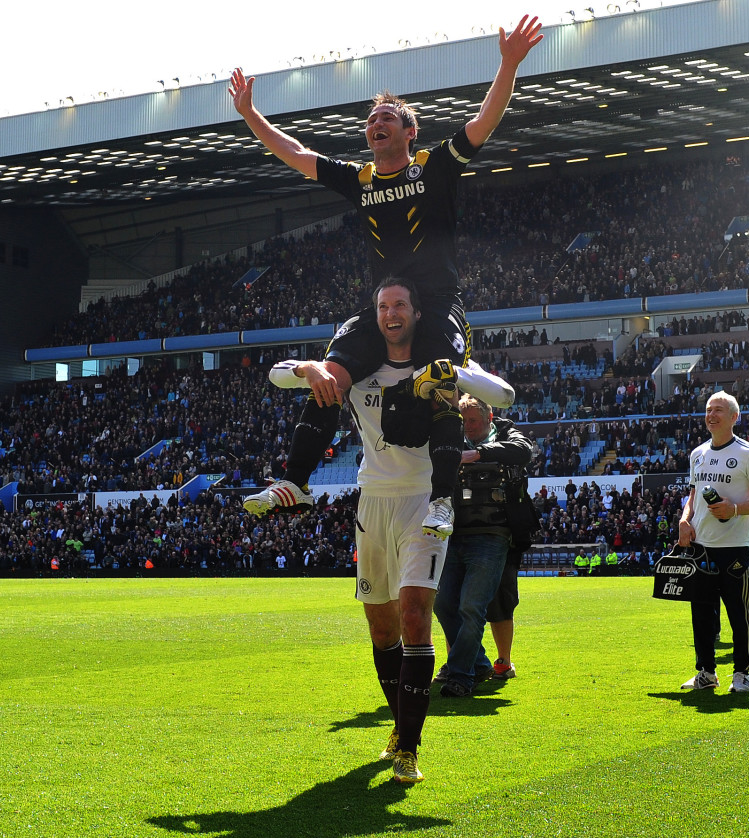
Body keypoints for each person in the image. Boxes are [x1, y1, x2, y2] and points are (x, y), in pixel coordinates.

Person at [231, 16, 544, 538]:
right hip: (383, 307)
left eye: (386, 118)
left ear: (408, 130)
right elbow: (297, 154)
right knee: (328, 380)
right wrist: (250, 114)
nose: (375, 124)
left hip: (438, 303)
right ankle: (296, 483)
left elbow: (485, 121)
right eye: (370, 120)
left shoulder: (434, 166)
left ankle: (441, 502)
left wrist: (508, 64)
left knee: (439, 382)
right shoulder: (360, 179)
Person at [265, 277, 510, 785]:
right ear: (374, 316)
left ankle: (410, 749)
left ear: (417, 314)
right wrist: (311, 367)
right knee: (381, 629)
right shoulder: (355, 367)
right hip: (371, 501)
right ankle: (400, 729)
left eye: (401, 303)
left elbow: (501, 395)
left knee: (416, 615)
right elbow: (278, 375)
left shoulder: (436, 365)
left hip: (425, 501)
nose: (391, 312)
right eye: (383, 306)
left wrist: (459, 372)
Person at [676, 392, 749, 693]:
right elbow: (693, 498)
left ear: (734, 417)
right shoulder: (698, 454)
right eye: (708, 410)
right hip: (700, 547)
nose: (712, 415)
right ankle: (706, 672)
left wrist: (735, 509)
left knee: (739, 612)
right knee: (702, 614)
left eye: (719, 410)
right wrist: (684, 520)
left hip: (734, 547)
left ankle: (742, 674)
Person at [432, 394, 533, 696]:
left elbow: (523, 450)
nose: (467, 427)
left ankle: (462, 675)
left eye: (473, 421)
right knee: (444, 603)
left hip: (494, 532)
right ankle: (476, 663)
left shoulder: (507, 433)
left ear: (489, 418)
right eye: (463, 421)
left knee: (472, 605)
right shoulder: (450, 436)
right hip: (453, 531)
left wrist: (480, 453)